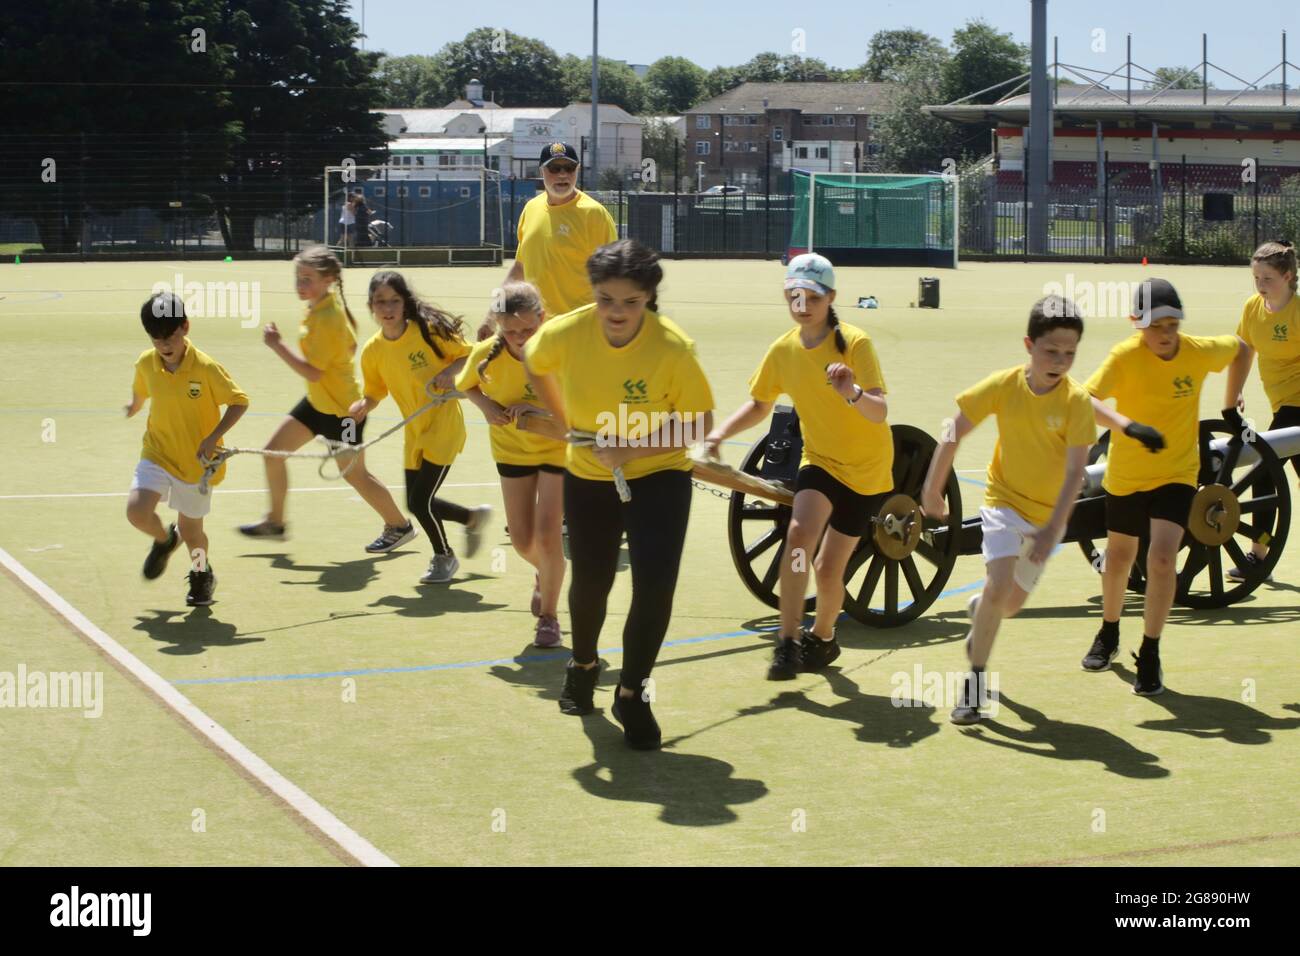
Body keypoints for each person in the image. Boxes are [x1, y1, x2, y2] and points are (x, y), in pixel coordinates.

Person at [524, 239, 714, 750]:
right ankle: (583, 663)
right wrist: (565, 421)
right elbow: (533, 360)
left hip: (660, 476)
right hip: (588, 475)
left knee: (654, 587)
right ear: (594, 293)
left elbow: (700, 421)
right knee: (591, 582)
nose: (616, 312)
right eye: (606, 299)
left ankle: (632, 693)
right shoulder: (565, 332)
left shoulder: (673, 348)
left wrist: (632, 449)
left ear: (649, 298)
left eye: (631, 302)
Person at [704, 253, 892, 681]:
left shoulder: (855, 344)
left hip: (867, 470)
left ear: (831, 298)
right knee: (798, 537)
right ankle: (787, 641)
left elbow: (880, 412)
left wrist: (852, 392)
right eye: (794, 295)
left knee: (828, 569)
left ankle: (824, 636)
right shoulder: (784, 349)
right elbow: (759, 404)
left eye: (811, 296)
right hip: (821, 461)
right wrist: (718, 435)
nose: (802, 304)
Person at [920, 295, 1096, 724]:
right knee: (1000, 587)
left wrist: (1055, 528)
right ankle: (975, 684)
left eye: (1070, 353)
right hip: (1003, 504)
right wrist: (931, 487)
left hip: (1046, 517)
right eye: (1051, 351)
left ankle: (982, 611)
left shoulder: (1077, 402)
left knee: (1008, 605)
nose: (1060, 361)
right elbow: (953, 428)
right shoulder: (1004, 385)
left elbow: (1076, 473)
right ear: (1028, 345)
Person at [1081, 278, 1251, 695]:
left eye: (1173, 324)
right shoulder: (1124, 357)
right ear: (1136, 323)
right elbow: (1085, 399)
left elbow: (1242, 349)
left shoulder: (1197, 351)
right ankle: (1109, 631)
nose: (1166, 333)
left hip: (1176, 475)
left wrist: (1230, 403)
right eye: (1157, 325)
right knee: (1119, 559)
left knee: (1160, 561)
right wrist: (1127, 425)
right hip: (1125, 476)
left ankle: (1151, 650)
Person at [238, 245, 414, 552]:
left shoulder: (329, 318)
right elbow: (342, 349)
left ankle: (399, 526)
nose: (300, 284)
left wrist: (276, 345)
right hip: (316, 404)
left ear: (328, 279)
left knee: (356, 476)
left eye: (307, 278)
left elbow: (314, 372)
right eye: (298, 277)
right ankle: (275, 522)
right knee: (273, 453)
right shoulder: (319, 308)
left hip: (344, 413)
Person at [350, 271, 491, 584]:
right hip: (414, 432)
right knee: (417, 501)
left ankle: (444, 556)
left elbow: (469, 355)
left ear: (405, 303)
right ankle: (471, 518)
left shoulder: (428, 331)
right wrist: (364, 405)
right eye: (380, 302)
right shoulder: (373, 351)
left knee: (418, 501)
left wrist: (450, 372)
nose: (387, 308)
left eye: (394, 301)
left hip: (444, 425)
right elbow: (375, 391)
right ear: (371, 306)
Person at [457, 281, 567, 644]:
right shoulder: (486, 354)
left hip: (557, 449)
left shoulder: (560, 353)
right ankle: (546, 572)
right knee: (522, 542)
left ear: (542, 319)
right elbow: (466, 385)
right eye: (511, 331)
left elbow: (578, 406)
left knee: (549, 537)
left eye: (528, 330)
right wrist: (487, 406)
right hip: (511, 451)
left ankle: (549, 617)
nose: (519, 338)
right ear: (499, 326)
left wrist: (538, 410)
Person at [125, 292, 249, 606]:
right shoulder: (146, 363)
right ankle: (165, 541)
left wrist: (213, 438)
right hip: (157, 452)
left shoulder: (206, 368)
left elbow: (239, 402)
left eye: (170, 337)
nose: (165, 346)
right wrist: (133, 405)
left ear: (185, 327)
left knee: (192, 533)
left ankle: (201, 573)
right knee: (137, 513)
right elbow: (142, 390)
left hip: (198, 465)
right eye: (157, 339)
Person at [477, 142, 617, 341]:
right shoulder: (531, 209)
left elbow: (615, 278)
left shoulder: (594, 215)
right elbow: (518, 272)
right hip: (535, 336)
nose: (563, 174)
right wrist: (491, 317)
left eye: (569, 168)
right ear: (542, 171)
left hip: (581, 334)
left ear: (577, 170)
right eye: (554, 168)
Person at [1223, 240, 1299, 580]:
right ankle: (1261, 554)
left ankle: (1258, 557)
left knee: (1264, 468)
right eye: (1256, 278)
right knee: (1267, 469)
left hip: (1297, 405)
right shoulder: (1254, 308)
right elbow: (1243, 352)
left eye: (1267, 278)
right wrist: (1235, 391)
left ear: (1288, 276)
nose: (1260, 285)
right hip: (1282, 403)